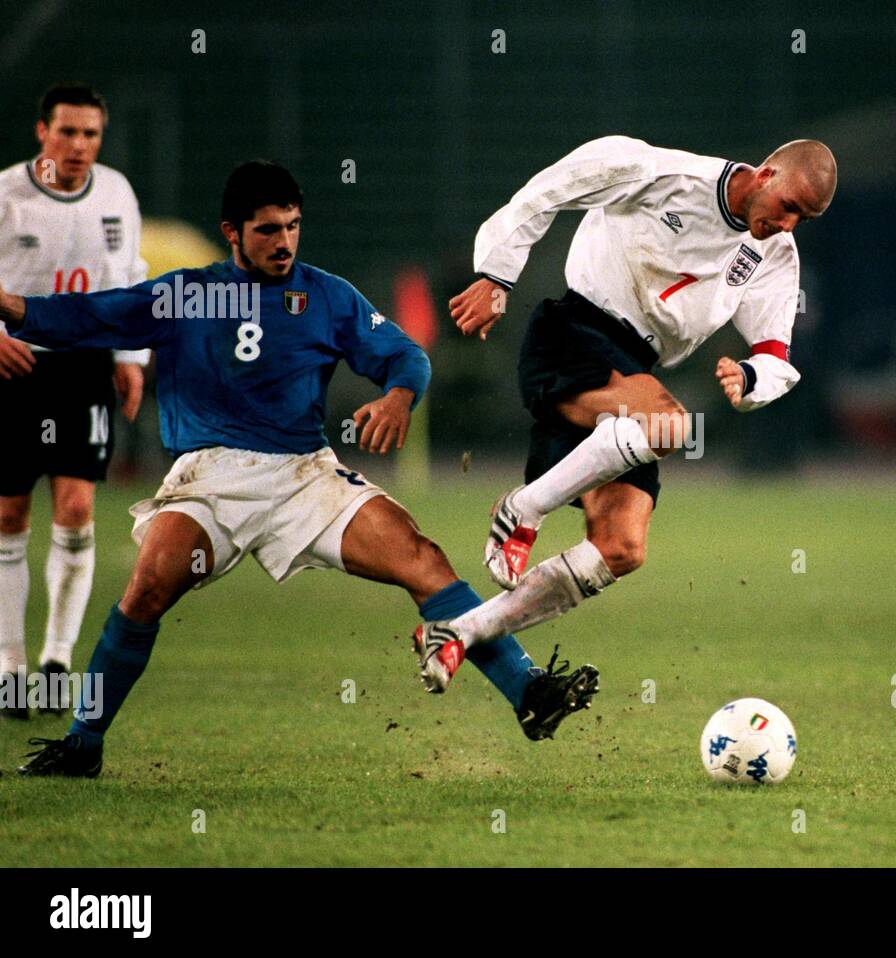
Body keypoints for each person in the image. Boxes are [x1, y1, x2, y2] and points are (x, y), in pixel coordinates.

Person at [0, 161, 596, 777]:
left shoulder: (327, 295)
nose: (283, 242)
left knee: (423, 559)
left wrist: (397, 395)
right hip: (209, 479)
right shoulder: (183, 294)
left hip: (302, 475)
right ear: (231, 231)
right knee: (146, 589)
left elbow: (404, 355)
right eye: (266, 230)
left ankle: (530, 692)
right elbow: (87, 315)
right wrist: (11, 306)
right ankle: (83, 743)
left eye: (292, 226)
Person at [415, 135, 835, 685]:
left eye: (804, 218)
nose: (789, 225)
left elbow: (776, 356)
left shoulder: (774, 254)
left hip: (633, 372)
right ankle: (523, 508)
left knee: (622, 547)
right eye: (789, 206)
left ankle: (459, 633)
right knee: (669, 425)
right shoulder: (664, 174)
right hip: (575, 333)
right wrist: (497, 273)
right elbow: (553, 187)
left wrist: (751, 377)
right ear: (765, 175)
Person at [0, 84, 148, 718]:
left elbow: (131, 276)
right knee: (8, 516)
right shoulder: (7, 195)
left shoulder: (116, 193)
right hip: (16, 365)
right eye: (68, 132)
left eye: (90, 134)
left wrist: (131, 358)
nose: (79, 146)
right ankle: (8, 667)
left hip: (85, 365)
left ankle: (57, 661)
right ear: (42, 133)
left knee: (78, 506)